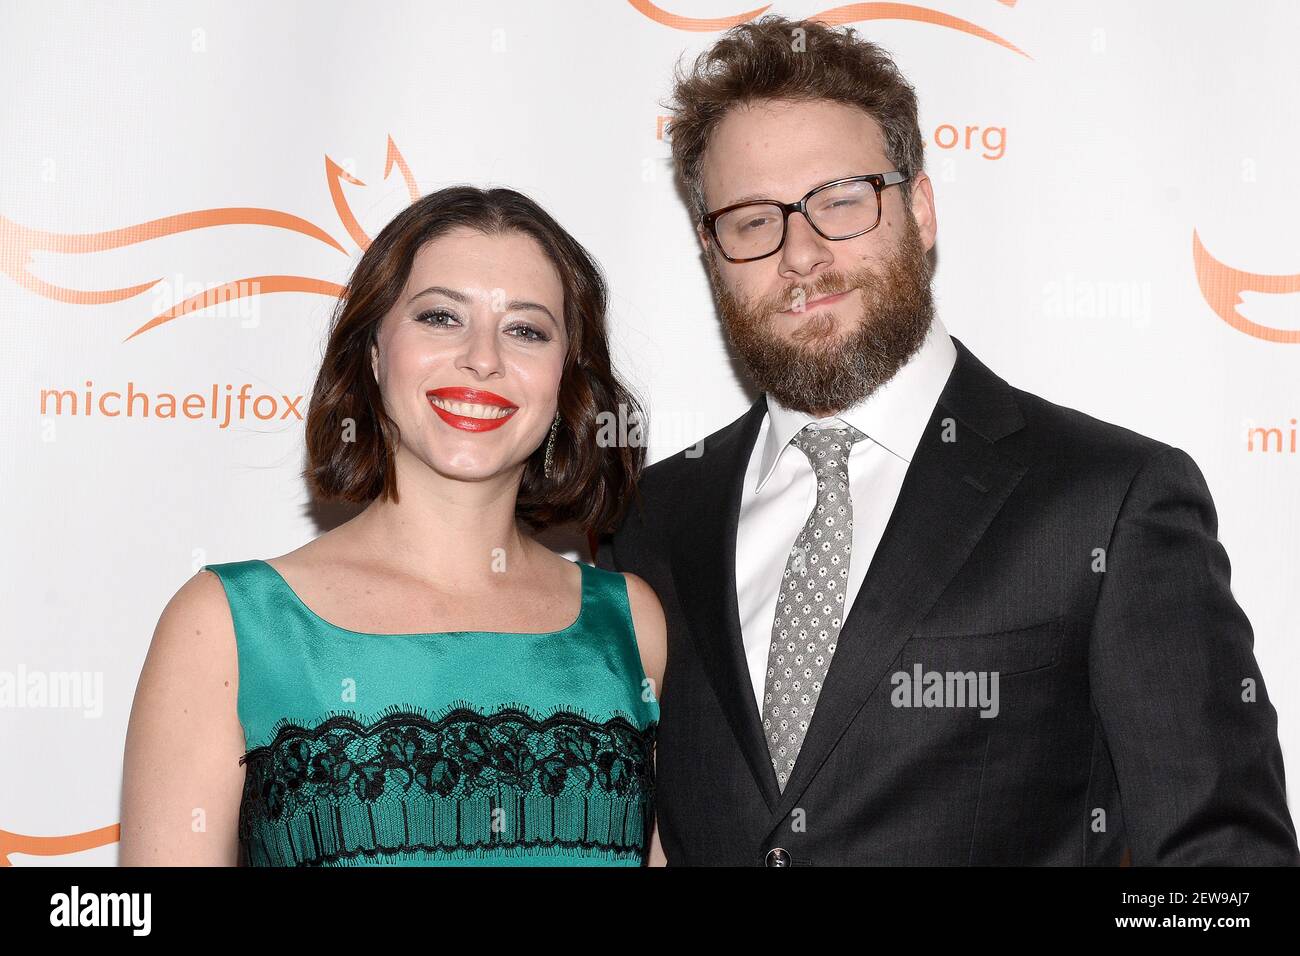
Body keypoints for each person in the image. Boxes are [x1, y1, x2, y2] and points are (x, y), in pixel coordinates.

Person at [597, 16, 1299, 865]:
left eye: (842, 200)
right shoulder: (655, 517)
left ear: (920, 210)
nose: (802, 253)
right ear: (713, 255)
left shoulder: (1110, 501)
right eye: (752, 221)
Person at [120, 186, 667, 866]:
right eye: (440, 317)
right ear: (375, 353)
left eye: (526, 329)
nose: (483, 357)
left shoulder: (631, 628)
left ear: (566, 380)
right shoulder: (227, 627)